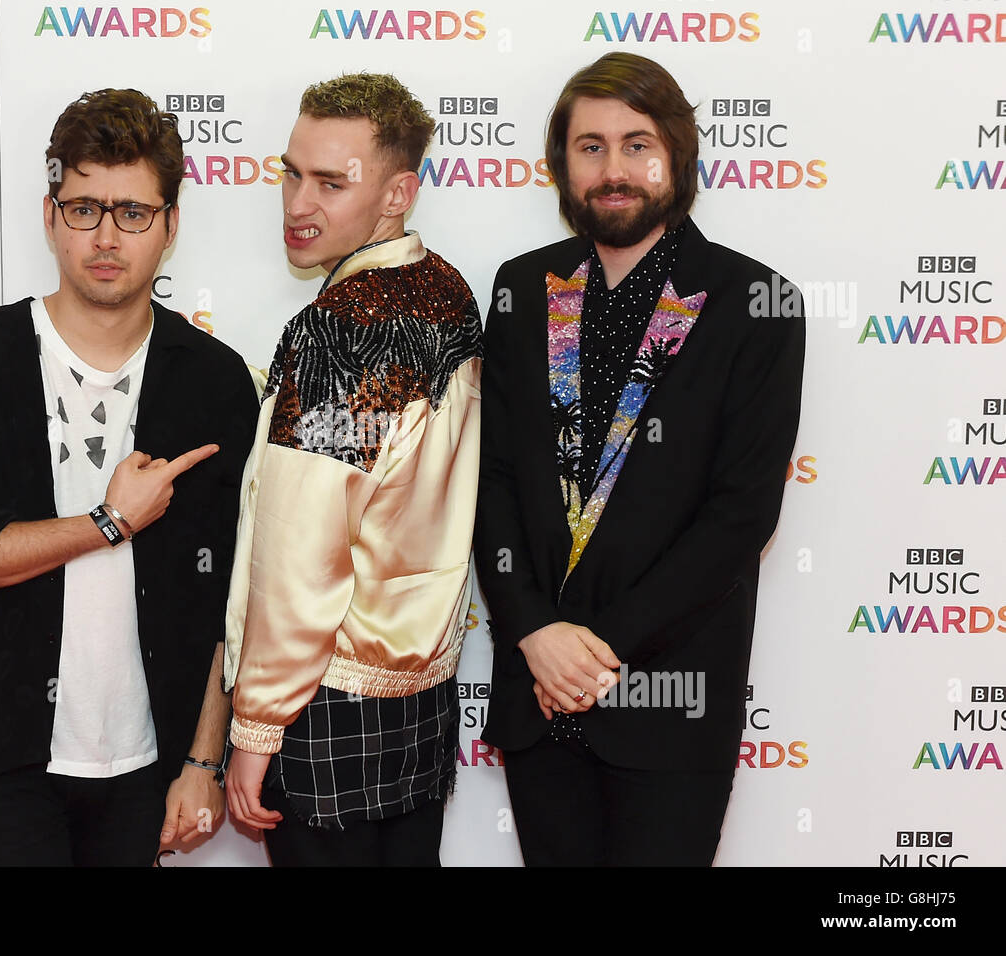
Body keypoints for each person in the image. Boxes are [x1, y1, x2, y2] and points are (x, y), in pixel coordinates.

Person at [0, 88, 258, 866]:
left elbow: (227, 598)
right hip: (0, 763)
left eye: (132, 212)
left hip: (147, 764)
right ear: (48, 215)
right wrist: (108, 523)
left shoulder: (214, 382)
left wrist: (202, 763)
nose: (106, 235)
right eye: (83, 208)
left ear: (170, 226)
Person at [473, 52, 806, 866]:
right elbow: (494, 485)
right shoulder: (521, 289)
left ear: (677, 156)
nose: (613, 168)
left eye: (636, 143)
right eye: (590, 146)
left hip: (669, 698)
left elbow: (739, 516)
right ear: (561, 163)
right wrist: (536, 633)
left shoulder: (757, 303)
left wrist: (597, 649)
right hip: (539, 694)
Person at [221, 73, 483, 866]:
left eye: (332, 182)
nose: (299, 203)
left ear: (397, 192)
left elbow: (302, 556)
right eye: (291, 172)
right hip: (424, 698)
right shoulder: (448, 291)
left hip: (323, 701)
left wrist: (255, 728)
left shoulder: (337, 333)